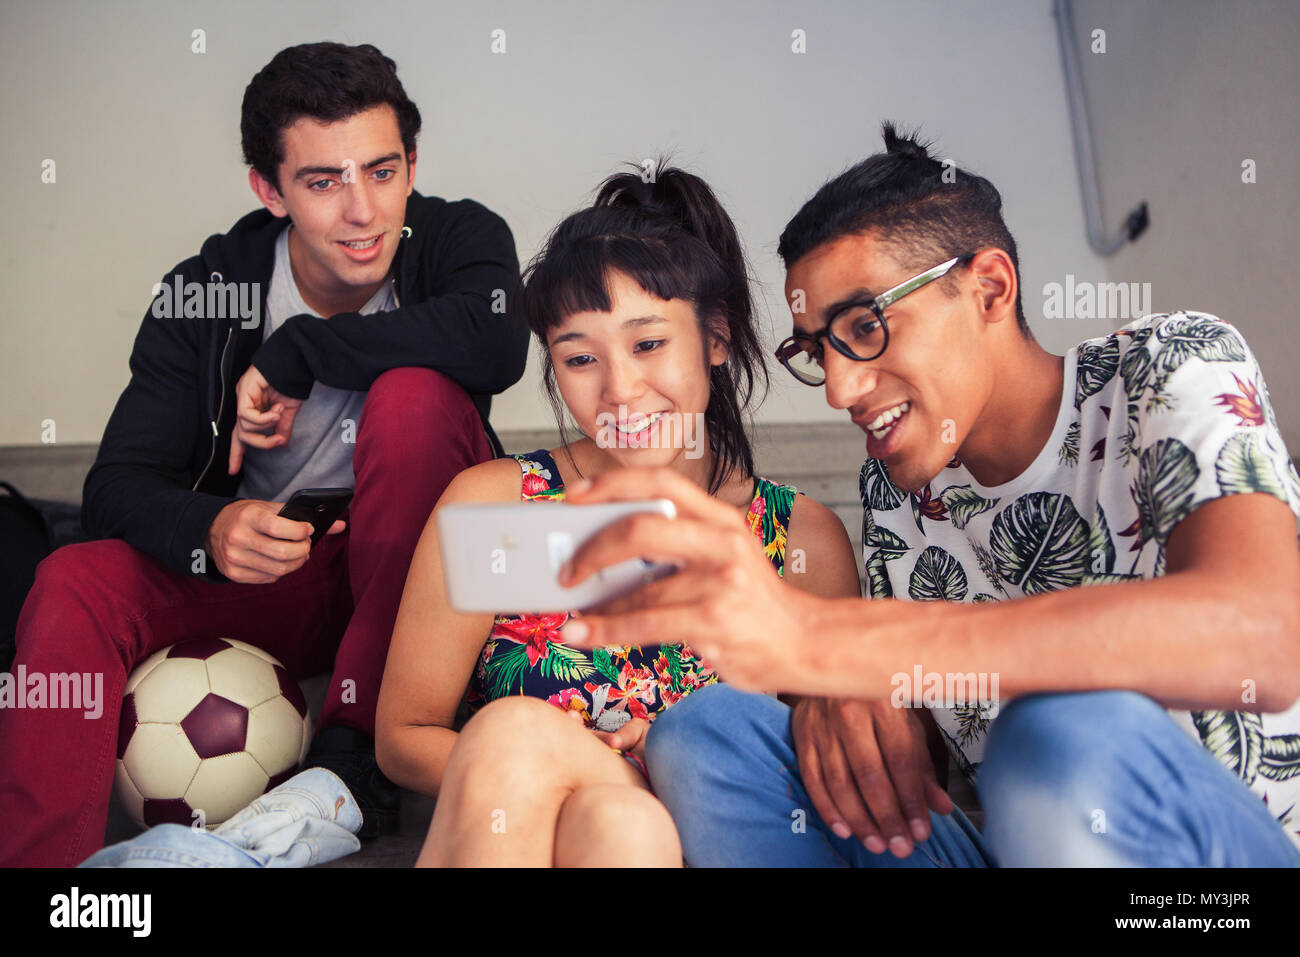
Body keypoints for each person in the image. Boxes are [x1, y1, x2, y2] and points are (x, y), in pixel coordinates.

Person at [556, 124, 1300, 867]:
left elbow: (1264, 636)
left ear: (989, 289)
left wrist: (827, 641)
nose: (840, 389)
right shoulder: (895, 489)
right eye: (818, 350)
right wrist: (837, 698)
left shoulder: (1168, 366)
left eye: (865, 325)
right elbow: (919, 768)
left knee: (1056, 734)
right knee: (708, 728)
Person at [0, 42, 527, 866]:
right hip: (279, 574)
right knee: (70, 578)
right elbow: (114, 488)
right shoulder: (210, 288)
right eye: (323, 182)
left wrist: (304, 349)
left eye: (383, 172)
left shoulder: (456, 237)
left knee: (414, 396)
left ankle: (357, 753)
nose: (363, 211)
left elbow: (498, 344)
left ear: (413, 163)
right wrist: (213, 528)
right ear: (268, 189)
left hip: (425, 585)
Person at [375, 163, 864, 866]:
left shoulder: (799, 538)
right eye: (580, 359)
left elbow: (830, 757)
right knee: (602, 811)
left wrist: (658, 767)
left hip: (708, 837)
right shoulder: (497, 502)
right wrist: (564, 766)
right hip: (529, 825)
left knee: (582, 784)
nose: (620, 390)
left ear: (716, 337)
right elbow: (404, 732)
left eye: (649, 344)